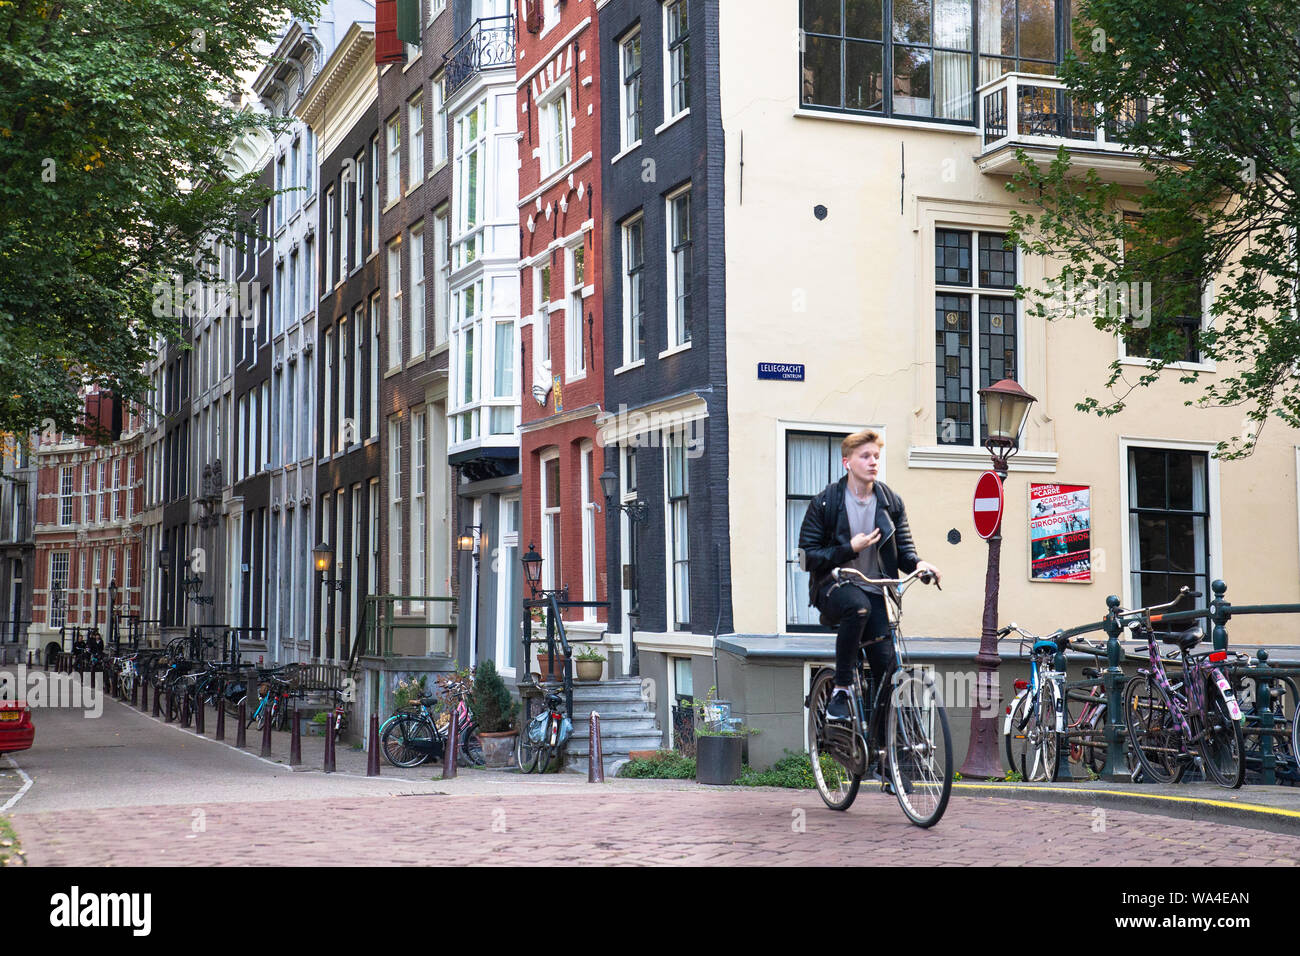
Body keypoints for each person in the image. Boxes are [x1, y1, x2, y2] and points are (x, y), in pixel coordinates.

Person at [798, 429, 941, 722]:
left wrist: (920, 565)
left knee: (887, 668)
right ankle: (840, 689)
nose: (873, 462)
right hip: (834, 586)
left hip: (877, 591)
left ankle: (882, 752)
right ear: (846, 462)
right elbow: (807, 557)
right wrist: (848, 548)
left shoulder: (891, 502)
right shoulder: (826, 502)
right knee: (856, 606)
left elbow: (904, 552)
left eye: (876, 456)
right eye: (865, 456)